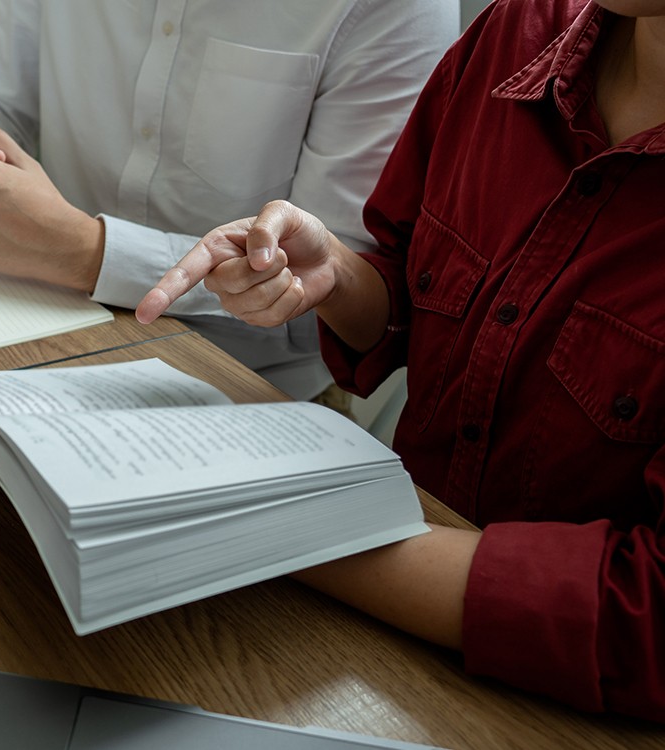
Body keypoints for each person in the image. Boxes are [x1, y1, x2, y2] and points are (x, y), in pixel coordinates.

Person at [136, 0, 665, 723]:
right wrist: (333, 275)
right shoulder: (515, 33)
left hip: (565, 711)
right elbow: (409, 294)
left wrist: (284, 527)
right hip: (369, 634)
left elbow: (646, 618)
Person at [0, 0, 459, 404]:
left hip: (249, 392)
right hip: (24, 329)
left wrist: (83, 250)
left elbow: (334, 295)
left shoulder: (394, 8)